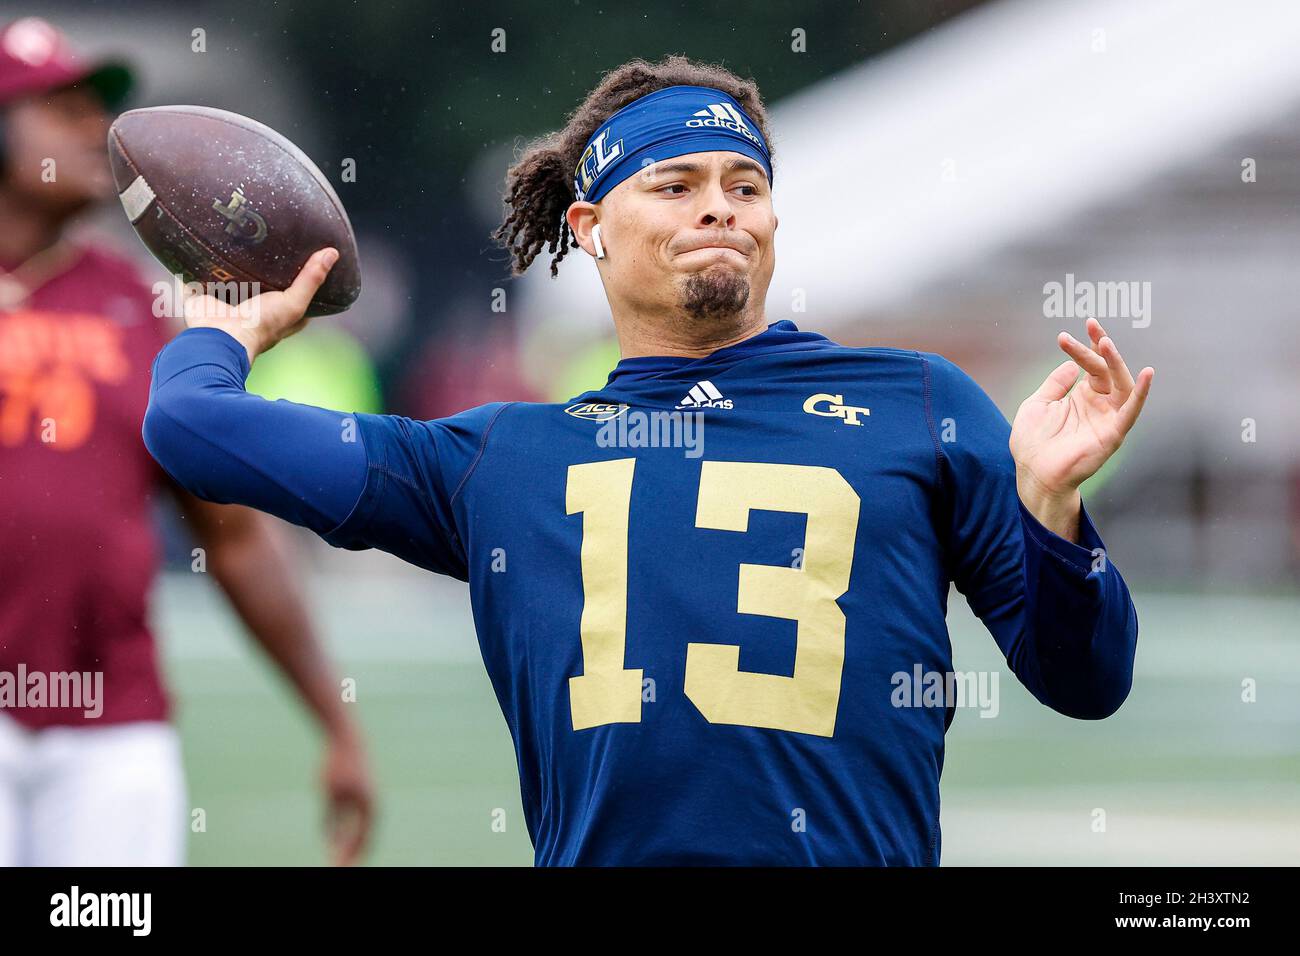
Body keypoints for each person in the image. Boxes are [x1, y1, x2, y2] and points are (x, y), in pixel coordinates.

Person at [143, 55, 1152, 866]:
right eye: (675, 184)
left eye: (744, 184)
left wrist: (1054, 512)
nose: (720, 207)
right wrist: (227, 328)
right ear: (589, 228)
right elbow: (190, 424)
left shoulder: (917, 404)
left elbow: (1085, 678)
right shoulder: (503, 456)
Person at [0, 16, 373, 866]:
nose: (93, 130)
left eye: (95, 109)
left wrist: (333, 717)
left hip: (113, 725)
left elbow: (233, 541)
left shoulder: (146, 307)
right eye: (58, 110)